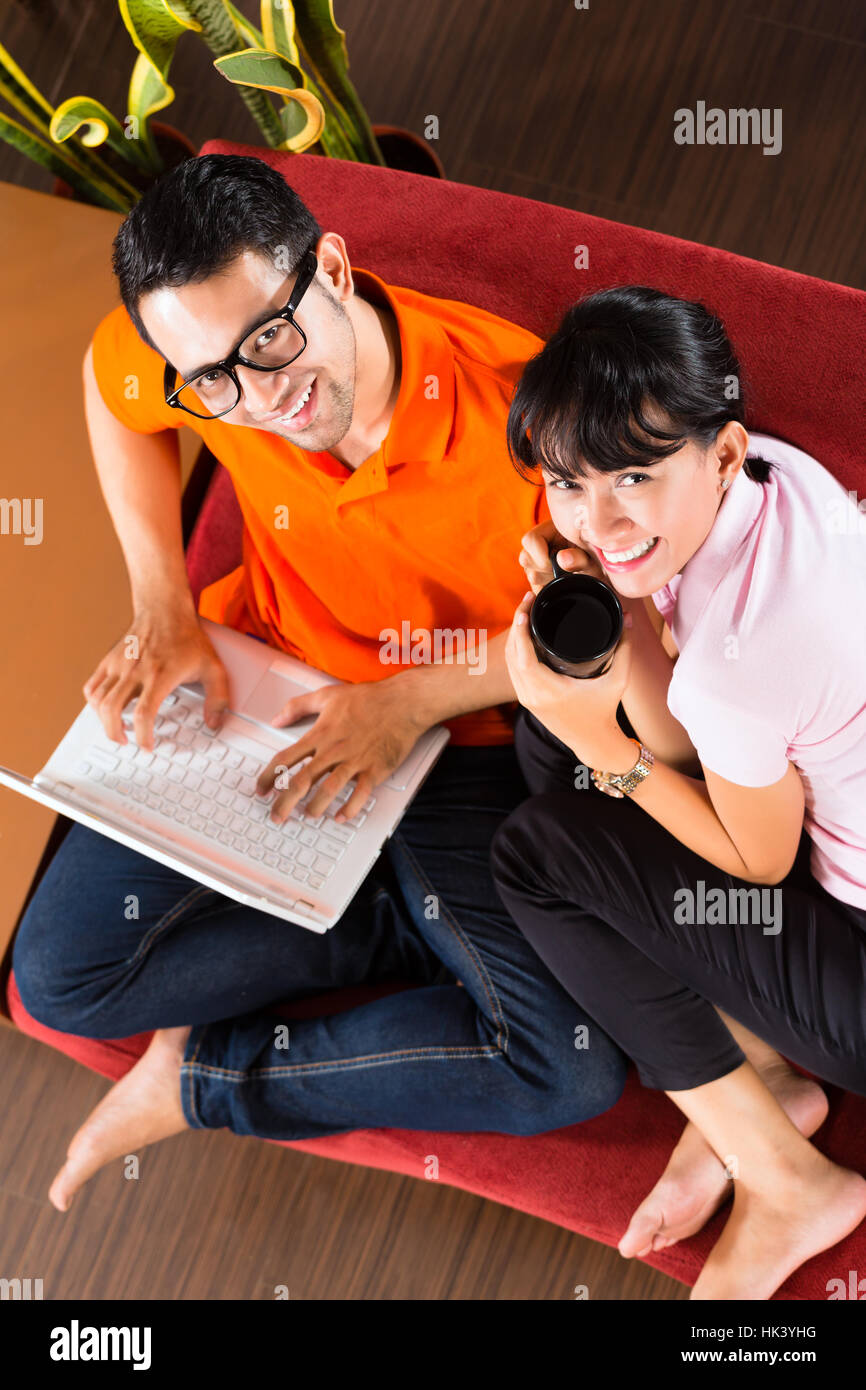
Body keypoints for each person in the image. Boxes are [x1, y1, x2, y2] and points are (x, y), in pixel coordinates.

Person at [12, 153, 629, 1211]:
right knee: (61, 978)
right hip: (270, 678)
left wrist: (406, 703)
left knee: (563, 1064)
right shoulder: (189, 356)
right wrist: (162, 604)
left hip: (463, 737)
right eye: (215, 378)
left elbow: (612, 633)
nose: (258, 397)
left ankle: (210, 1074)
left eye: (271, 340)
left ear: (330, 267)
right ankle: (385, 917)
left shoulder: (524, 413)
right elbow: (110, 392)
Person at [489, 284, 866, 1299]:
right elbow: (691, 742)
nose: (594, 517)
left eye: (630, 479)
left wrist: (607, 754)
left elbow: (756, 860)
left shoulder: (737, 664)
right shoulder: (785, 480)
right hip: (819, 830)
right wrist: (613, 599)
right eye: (565, 483)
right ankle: (768, 1083)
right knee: (548, 749)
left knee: (536, 848)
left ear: (722, 451)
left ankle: (784, 1178)